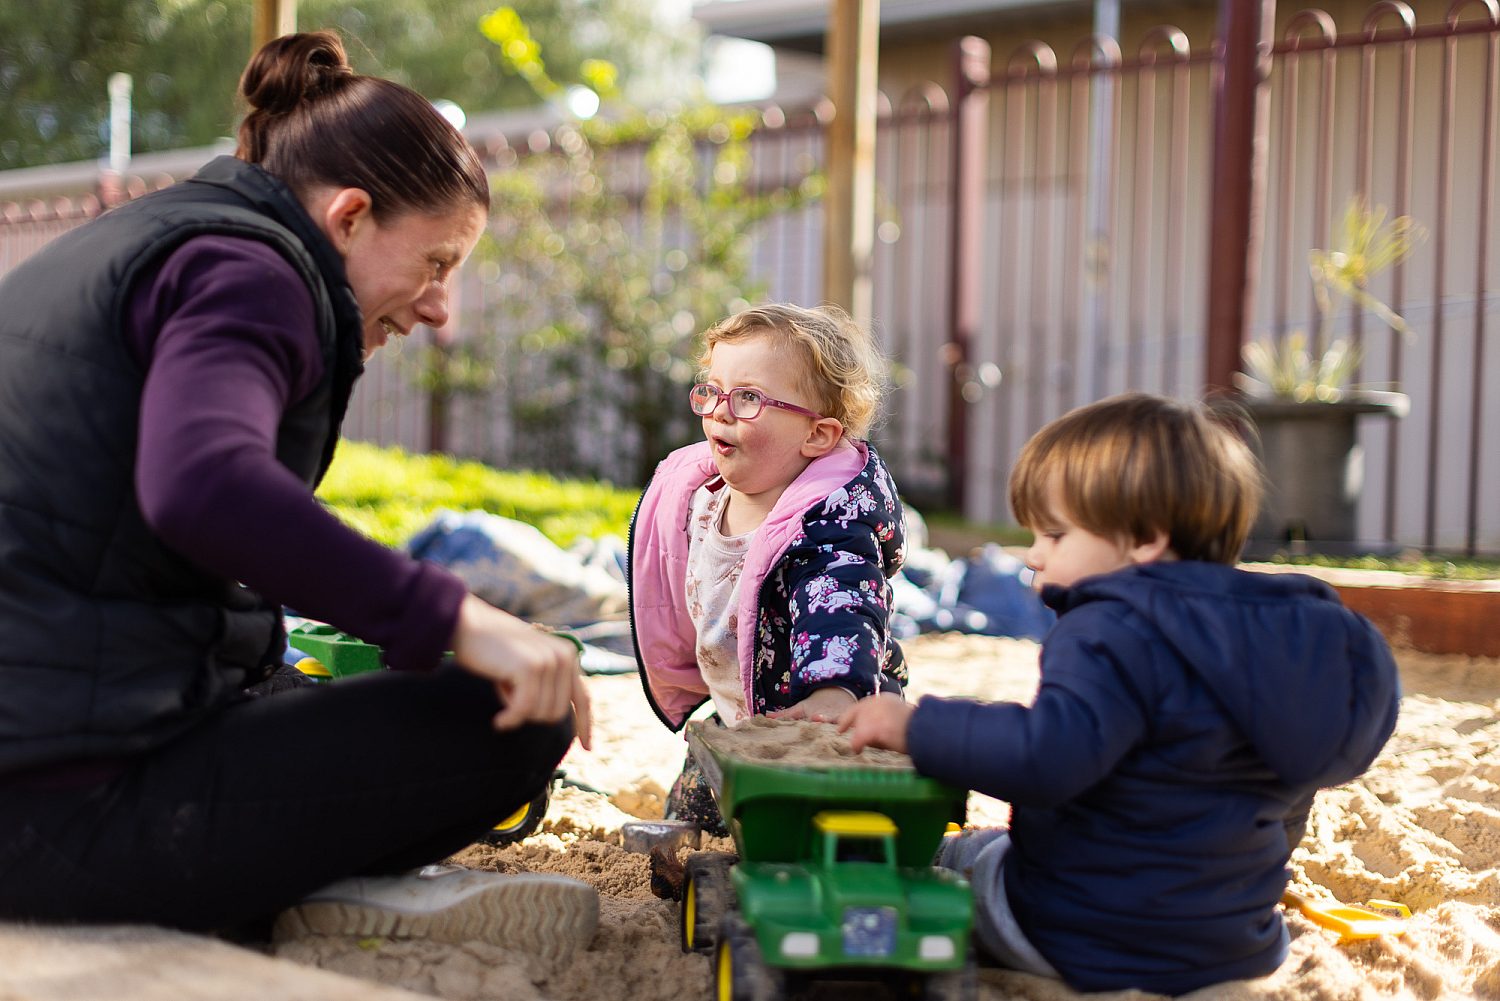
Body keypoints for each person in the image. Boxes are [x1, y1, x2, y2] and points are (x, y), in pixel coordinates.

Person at [0, 32, 596, 951]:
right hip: (57, 810)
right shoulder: (255, 273)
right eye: (438, 263)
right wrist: (456, 617)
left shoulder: (149, 237)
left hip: (48, 739)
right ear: (349, 217)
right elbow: (205, 485)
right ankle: (284, 890)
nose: (440, 308)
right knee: (517, 720)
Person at [839, 392, 1400, 995]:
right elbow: (1286, 800)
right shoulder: (1287, 644)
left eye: (1055, 535)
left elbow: (1047, 757)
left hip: (1084, 934)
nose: (1034, 555)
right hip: (1235, 946)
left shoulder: (1112, 625)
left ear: (1145, 539)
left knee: (957, 861)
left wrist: (918, 727)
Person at [629, 303, 908, 833]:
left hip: (824, 721)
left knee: (821, 829)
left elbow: (842, 601)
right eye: (713, 391)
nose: (720, 412)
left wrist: (835, 690)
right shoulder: (696, 501)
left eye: (749, 398)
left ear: (817, 435)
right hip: (738, 718)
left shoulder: (828, 525)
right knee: (689, 820)